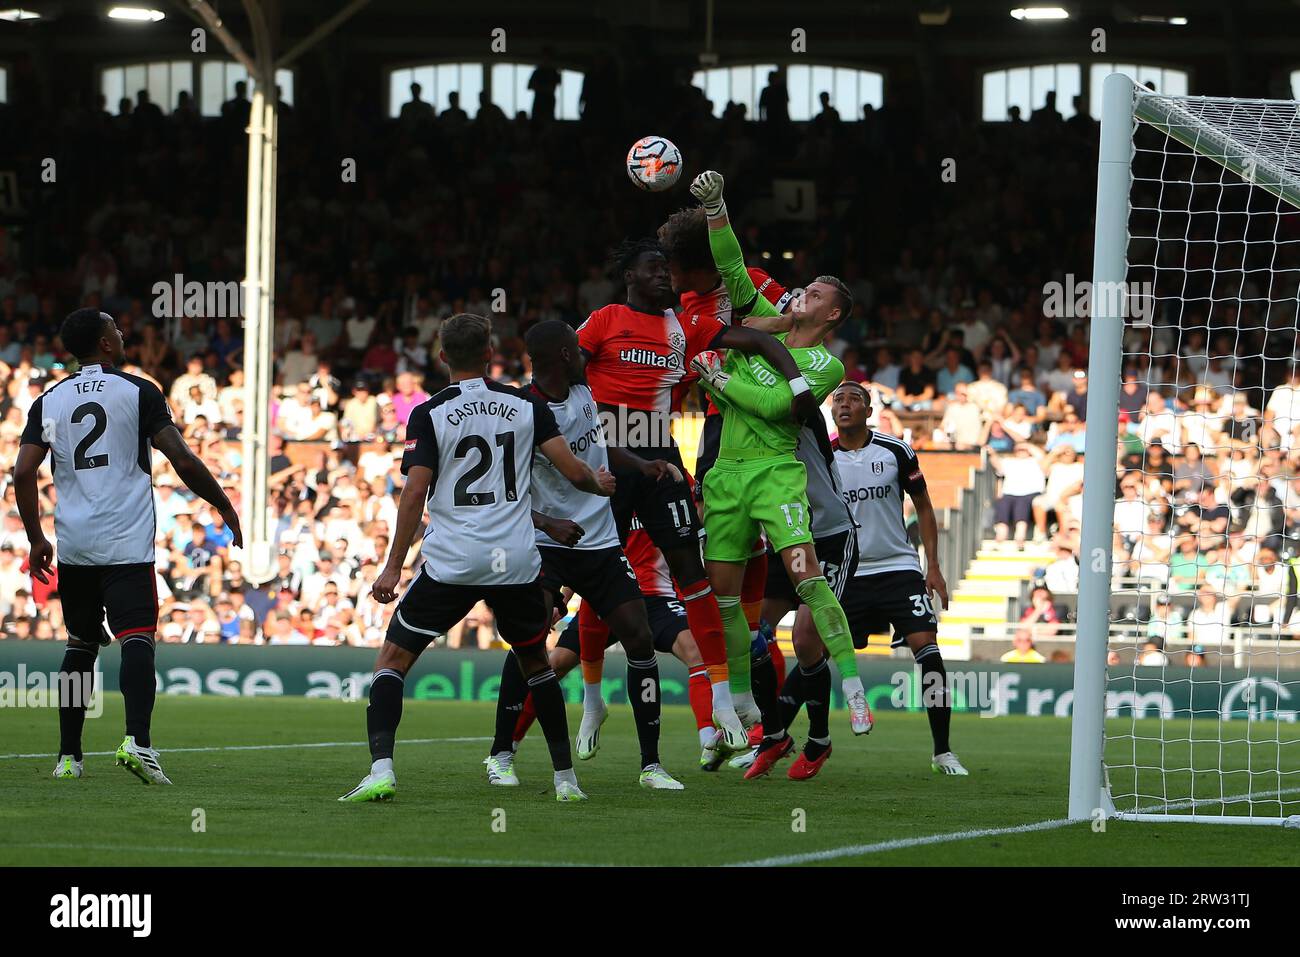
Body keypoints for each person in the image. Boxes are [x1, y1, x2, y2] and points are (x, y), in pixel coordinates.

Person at [338, 314, 615, 804]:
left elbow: (415, 492)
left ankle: (382, 770)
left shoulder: (430, 412)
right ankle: (566, 781)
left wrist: (393, 566)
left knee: (392, 662)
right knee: (537, 664)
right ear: (491, 353)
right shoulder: (526, 405)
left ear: (442, 356)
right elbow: (573, 471)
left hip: (454, 561)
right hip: (514, 560)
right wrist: (597, 483)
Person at [576, 235, 814, 755]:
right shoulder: (603, 320)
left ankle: (725, 701)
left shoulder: (684, 326)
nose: (666, 277)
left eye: (669, 269)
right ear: (631, 277)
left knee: (695, 578)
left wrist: (796, 380)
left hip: (661, 462)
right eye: (654, 269)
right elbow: (560, 372)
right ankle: (592, 698)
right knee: (600, 577)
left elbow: (755, 340)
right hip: (607, 462)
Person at [14, 309, 243, 783]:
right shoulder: (139, 391)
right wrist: (223, 504)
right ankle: (138, 742)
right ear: (104, 344)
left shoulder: (48, 402)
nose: (122, 333)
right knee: (137, 638)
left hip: (74, 543)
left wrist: (37, 538)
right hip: (126, 540)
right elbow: (179, 455)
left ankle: (68, 759)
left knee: (79, 646)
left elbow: (22, 471)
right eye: (115, 328)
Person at [688, 169, 874, 739]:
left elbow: (773, 406)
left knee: (808, 577)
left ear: (832, 315)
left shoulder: (827, 366)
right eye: (803, 289)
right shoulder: (757, 326)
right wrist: (718, 209)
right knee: (724, 600)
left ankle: (853, 689)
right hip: (727, 477)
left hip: (775, 475)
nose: (802, 293)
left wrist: (718, 384)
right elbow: (732, 266)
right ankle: (742, 702)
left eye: (815, 293)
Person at [484, 320, 683, 789]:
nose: (584, 353)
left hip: (599, 543)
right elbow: (502, 487)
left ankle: (651, 765)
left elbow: (597, 444)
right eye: (576, 348)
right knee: (530, 641)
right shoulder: (525, 411)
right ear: (563, 356)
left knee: (637, 634)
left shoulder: (582, 391)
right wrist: (549, 522)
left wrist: (640, 463)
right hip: (549, 546)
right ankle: (501, 754)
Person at [779, 381, 966, 777]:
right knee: (813, 653)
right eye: (838, 400)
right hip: (847, 570)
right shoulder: (819, 454)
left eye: (854, 400)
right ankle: (775, 733)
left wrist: (932, 566)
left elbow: (925, 507)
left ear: (868, 410)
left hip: (898, 567)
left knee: (927, 649)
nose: (844, 405)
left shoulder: (896, 450)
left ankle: (943, 751)